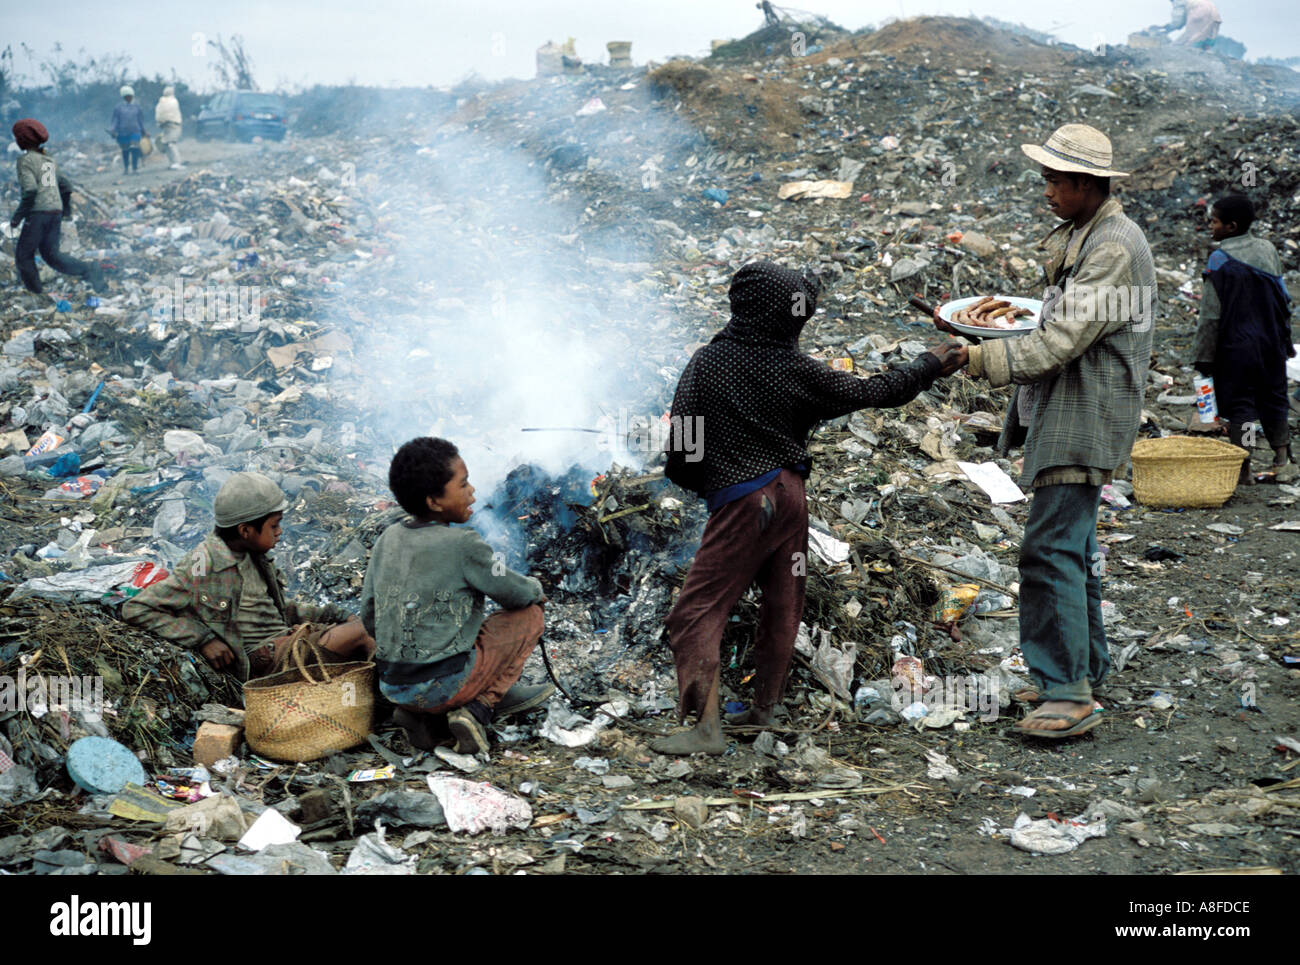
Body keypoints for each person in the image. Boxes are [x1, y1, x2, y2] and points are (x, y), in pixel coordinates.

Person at [651, 261, 967, 755]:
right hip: (791, 497)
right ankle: (764, 712)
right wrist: (928, 364)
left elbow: (685, 449)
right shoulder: (796, 369)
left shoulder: (708, 364)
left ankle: (706, 729)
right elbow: (874, 391)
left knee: (695, 612)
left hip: (744, 501)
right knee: (783, 603)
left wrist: (707, 484)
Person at [938, 124, 1156, 739]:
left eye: (1057, 181)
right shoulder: (1084, 234)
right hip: (1071, 405)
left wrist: (975, 359)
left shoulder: (1114, 246)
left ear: (1089, 184)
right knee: (1073, 549)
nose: (1049, 192)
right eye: (1047, 180)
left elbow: (1059, 341)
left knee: (1048, 549)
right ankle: (1087, 671)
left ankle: (1067, 693)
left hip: (1086, 409)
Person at [360, 438, 554, 756]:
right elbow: (515, 595)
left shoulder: (388, 538)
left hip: (393, 685)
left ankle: (419, 717)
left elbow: (369, 614)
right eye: (463, 485)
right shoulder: (464, 544)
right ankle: (479, 709)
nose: (472, 492)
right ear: (435, 501)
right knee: (530, 615)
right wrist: (535, 589)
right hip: (446, 687)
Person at [123, 472, 374, 681]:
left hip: (287, 642)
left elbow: (275, 609)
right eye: (274, 525)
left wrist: (337, 615)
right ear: (245, 530)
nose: (280, 532)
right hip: (263, 659)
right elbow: (137, 608)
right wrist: (203, 639)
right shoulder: (203, 564)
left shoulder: (253, 556)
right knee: (365, 633)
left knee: (369, 628)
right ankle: (402, 702)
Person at [1193, 194, 1294, 483]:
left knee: (1242, 406)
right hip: (1271, 344)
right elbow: (1283, 300)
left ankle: (1245, 468)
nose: (1209, 226)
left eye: (1214, 221)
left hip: (1237, 348)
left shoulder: (1220, 259)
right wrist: (1285, 342)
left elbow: (1211, 315)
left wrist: (1203, 357)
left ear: (1231, 226)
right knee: (1274, 396)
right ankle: (1282, 457)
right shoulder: (1267, 249)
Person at [9, 119, 105, 295]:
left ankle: (36, 294)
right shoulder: (48, 160)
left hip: (38, 213)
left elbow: (30, 190)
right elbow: (66, 186)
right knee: (52, 256)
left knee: (23, 256)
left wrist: (17, 217)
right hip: (55, 212)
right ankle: (89, 269)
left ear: (22, 140)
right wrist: (65, 211)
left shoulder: (25, 161)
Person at [110, 86, 146, 175]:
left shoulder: (137, 107)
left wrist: (143, 131)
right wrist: (113, 130)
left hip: (135, 132)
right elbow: (115, 121)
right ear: (123, 97)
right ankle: (126, 168)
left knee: (135, 149)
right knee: (125, 151)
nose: (129, 98)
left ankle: (134, 168)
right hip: (122, 133)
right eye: (127, 96)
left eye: (130, 96)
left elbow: (140, 120)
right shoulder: (118, 108)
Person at [154, 85, 184, 169]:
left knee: (168, 144)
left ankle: (173, 162)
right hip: (174, 125)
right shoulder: (174, 101)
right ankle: (176, 162)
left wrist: (160, 123)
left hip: (165, 126)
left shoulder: (161, 102)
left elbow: (159, 115)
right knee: (171, 144)